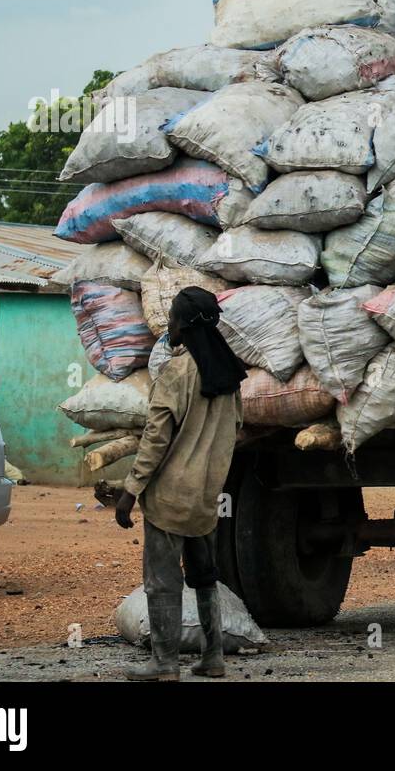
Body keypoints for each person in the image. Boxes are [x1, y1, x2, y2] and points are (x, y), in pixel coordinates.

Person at [115, 287, 246, 681]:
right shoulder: (228, 375)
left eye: (171, 318)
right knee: (205, 577)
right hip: (207, 495)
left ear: (185, 324)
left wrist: (130, 490)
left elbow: (155, 440)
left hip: (170, 497)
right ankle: (213, 658)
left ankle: (165, 662)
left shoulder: (176, 372)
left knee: (162, 582)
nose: (167, 325)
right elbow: (236, 428)